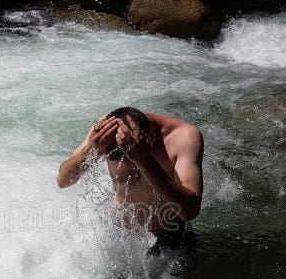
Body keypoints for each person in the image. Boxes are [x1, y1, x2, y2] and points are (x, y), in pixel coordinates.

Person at [56, 107, 204, 255]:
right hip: (121, 235)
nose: (126, 164)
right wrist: (89, 150)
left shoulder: (184, 137)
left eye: (129, 155)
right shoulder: (105, 130)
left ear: (150, 137)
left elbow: (190, 211)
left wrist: (145, 161)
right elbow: (63, 181)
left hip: (170, 234)